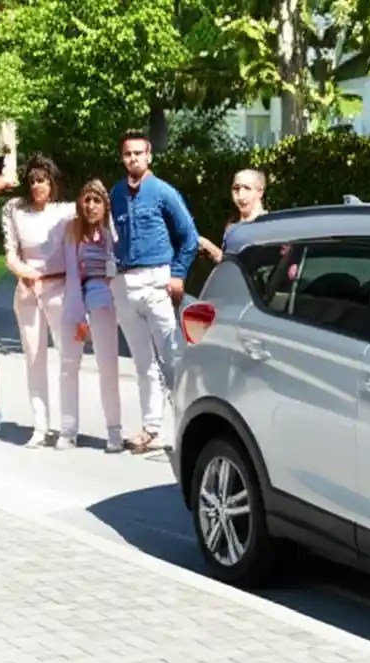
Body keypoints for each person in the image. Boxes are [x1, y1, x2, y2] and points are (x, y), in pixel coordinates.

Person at [109, 129, 200, 454]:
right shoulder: (116, 193)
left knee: (172, 358)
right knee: (142, 363)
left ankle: (184, 431)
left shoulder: (163, 192)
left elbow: (189, 235)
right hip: (124, 282)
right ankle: (152, 429)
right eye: (127, 154)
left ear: (149, 156)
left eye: (138, 153)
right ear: (122, 158)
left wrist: (177, 274)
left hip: (156, 280)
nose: (132, 158)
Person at [1, 154, 79, 448]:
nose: (37, 186)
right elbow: (10, 253)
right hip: (27, 290)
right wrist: (24, 272)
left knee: (67, 358)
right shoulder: (15, 210)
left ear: (52, 183)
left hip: (59, 288)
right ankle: (40, 424)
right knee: (34, 358)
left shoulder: (67, 211)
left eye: (42, 180)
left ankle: (68, 427)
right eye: (33, 181)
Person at [60, 179, 123, 453]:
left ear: (105, 204)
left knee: (107, 365)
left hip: (103, 296)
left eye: (97, 200)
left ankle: (114, 431)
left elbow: (117, 268)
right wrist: (76, 310)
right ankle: (68, 429)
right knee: (68, 365)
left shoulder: (113, 231)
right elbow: (72, 271)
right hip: (76, 296)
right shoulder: (73, 230)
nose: (91, 206)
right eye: (87, 200)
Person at [197, 168, 267, 264]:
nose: (240, 196)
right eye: (236, 189)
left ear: (260, 192)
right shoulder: (232, 226)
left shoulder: (268, 225)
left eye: (247, 188)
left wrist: (214, 251)